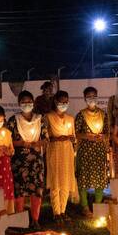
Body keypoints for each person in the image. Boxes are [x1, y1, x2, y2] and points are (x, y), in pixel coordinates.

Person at [9, 90, 46, 226]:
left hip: (36, 161)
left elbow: (46, 139)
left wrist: (37, 143)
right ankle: (20, 219)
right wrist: (22, 143)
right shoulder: (14, 120)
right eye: (23, 102)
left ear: (33, 103)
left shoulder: (39, 119)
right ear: (19, 103)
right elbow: (9, 141)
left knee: (36, 189)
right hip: (19, 161)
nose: (27, 104)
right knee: (19, 190)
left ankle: (35, 219)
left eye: (29, 101)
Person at [74, 87, 111, 213]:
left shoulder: (103, 114)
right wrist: (88, 136)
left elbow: (107, 132)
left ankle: (98, 205)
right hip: (85, 151)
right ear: (85, 99)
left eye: (94, 96)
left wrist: (102, 136)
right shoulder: (81, 115)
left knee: (100, 177)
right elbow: (76, 133)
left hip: (99, 150)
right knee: (83, 178)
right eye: (89, 96)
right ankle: (84, 206)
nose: (92, 99)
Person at [45, 91, 78, 219]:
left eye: (66, 102)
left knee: (65, 182)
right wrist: (57, 138)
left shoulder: (70, 119)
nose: (64, 104)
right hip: (54, 150)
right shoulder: (48, 117)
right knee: (55, 182)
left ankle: (63, 211)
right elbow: (46, 137)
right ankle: (56, 212)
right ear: (55, 102)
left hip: (67, 152)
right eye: (61, 102)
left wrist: (70, 138)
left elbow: (73, 137)